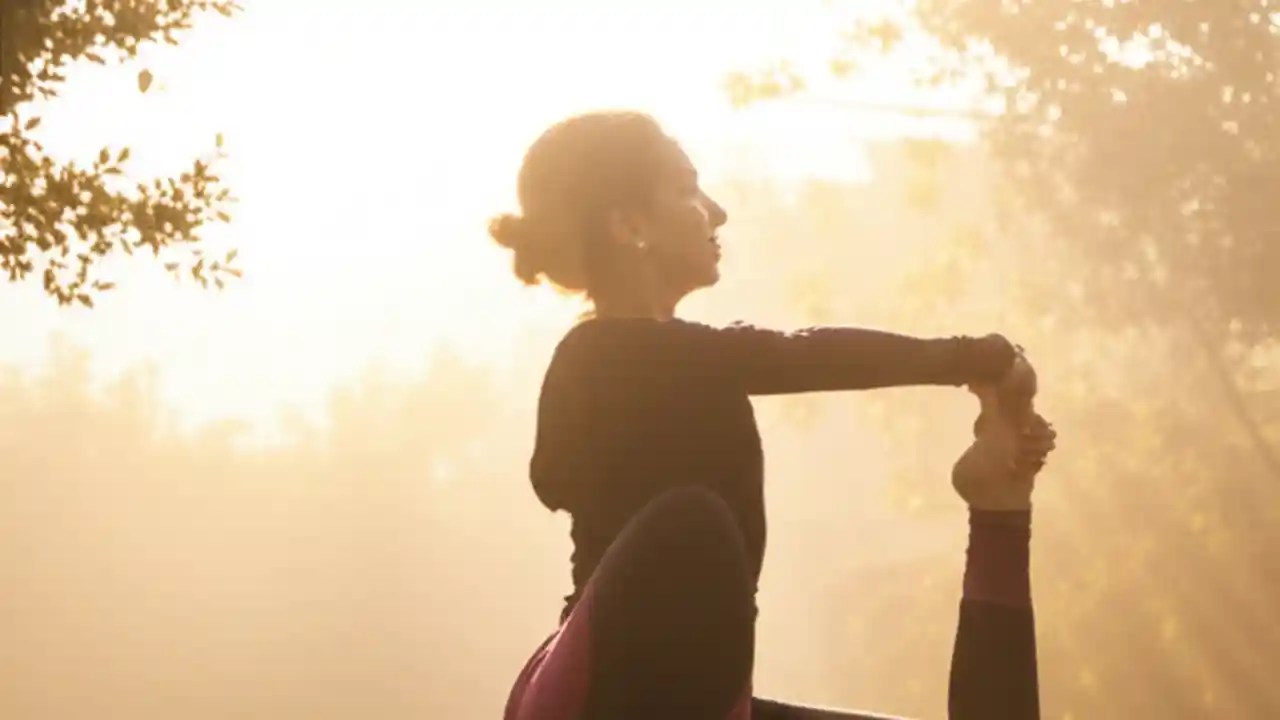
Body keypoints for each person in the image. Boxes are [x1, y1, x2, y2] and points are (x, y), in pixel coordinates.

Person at [491, 111, 1055, 720]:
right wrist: (977, 358)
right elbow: (797, 355)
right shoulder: (599, 357)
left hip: (706, 700)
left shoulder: (687, 367)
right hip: (596, 699)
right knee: (691, 523)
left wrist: (1000, 489)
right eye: (686, 189)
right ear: (630, 224)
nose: (718, 211)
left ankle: (996, 507)